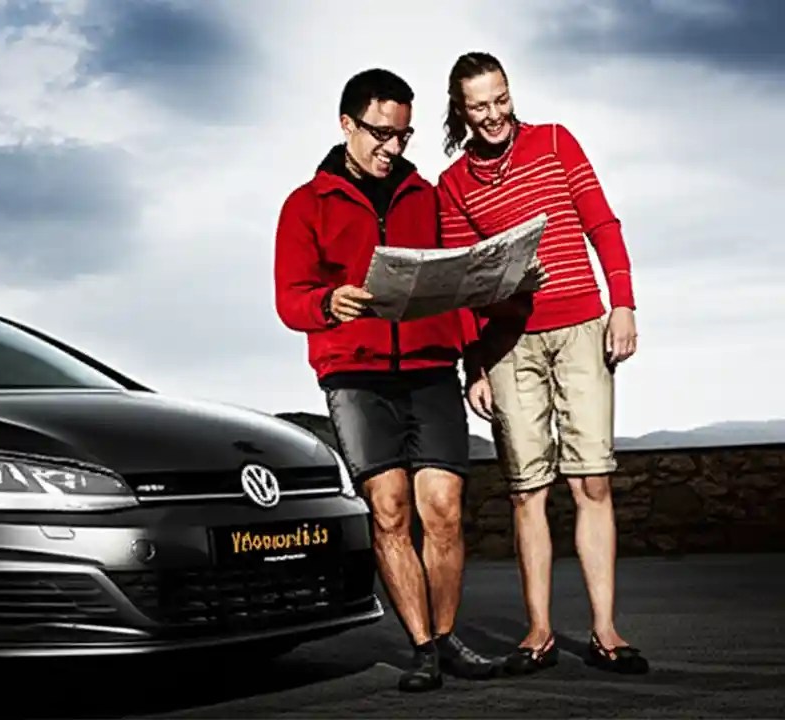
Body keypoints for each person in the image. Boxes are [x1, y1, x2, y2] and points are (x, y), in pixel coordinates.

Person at [274, 68, 499, 692]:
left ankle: (449, 639)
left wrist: (475, 363)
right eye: (379, 133)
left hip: (431, 368)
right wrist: (328, 303)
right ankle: (422, 647)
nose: (391, 148)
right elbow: (289, 299)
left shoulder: (427, 198)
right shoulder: (305, 205)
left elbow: (458, 288)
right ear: (347, 124)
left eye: (402, 135)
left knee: (445, 509)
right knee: (392, 510)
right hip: (355, 373)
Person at [435, 51, 649, 676]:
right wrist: (473, 364)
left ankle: (606, 631)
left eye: (501, 98)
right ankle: (538, 633)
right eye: (480, 105)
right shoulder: (452, 185)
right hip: (507, 347)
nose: (495, 113)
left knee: (593, 481)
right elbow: (464, 284)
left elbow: (601, 224)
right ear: (461, 111)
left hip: (583, 326)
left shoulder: (556, 141)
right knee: (528, 491)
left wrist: (624, 304)